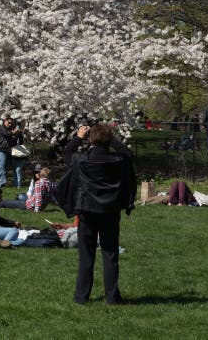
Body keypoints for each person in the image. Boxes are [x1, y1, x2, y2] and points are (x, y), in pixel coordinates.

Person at [62, 123, 136, 305]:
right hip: (110, 211)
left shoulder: (81, 160)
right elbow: (128, 154)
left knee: (86, 255)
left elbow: (66, 155)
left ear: (90, 139)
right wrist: (113, 140)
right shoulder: (118, 160)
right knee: (110, 254)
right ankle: (112, 297)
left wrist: (78, 136)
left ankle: (81, 296)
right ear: (108, 140)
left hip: (87, 211)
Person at [0, 117, 23, 189]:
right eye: (9, 122)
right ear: (5, 122)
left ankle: (1, 183)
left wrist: (18, 134)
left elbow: (13, 140)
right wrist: (14, 132)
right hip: (2, 150)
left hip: (9, 151)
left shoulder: (11, 129)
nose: (10, 124)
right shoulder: (1, 128)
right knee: (1, 166)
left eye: (11, 123)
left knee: (5, 168)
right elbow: (6, 134)